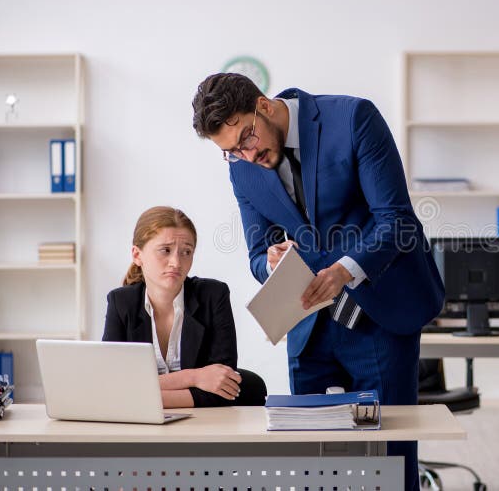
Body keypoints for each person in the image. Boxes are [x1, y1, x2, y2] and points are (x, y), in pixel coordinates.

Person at [191, 74, 444, 490]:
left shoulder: (352, 118)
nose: (245, 153)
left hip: (377, 313)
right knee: (312, 467)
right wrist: (270, 261)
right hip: (307, 327)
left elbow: (396, 221)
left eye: (247, 138)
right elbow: (257, 253)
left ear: (265, 106)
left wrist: (345, 269)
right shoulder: (242, 169)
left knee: (391, 463)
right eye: (231, 151)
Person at [103, 205, 266, 408]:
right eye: (166, 250)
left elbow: (224, 386)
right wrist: (194, 377)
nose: (176, 262)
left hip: (204, 425)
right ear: (137, 255)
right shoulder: (121, 303)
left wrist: (139, 397)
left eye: (186, 252)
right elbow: (111, 385)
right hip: (139, 427)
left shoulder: (213, 296)